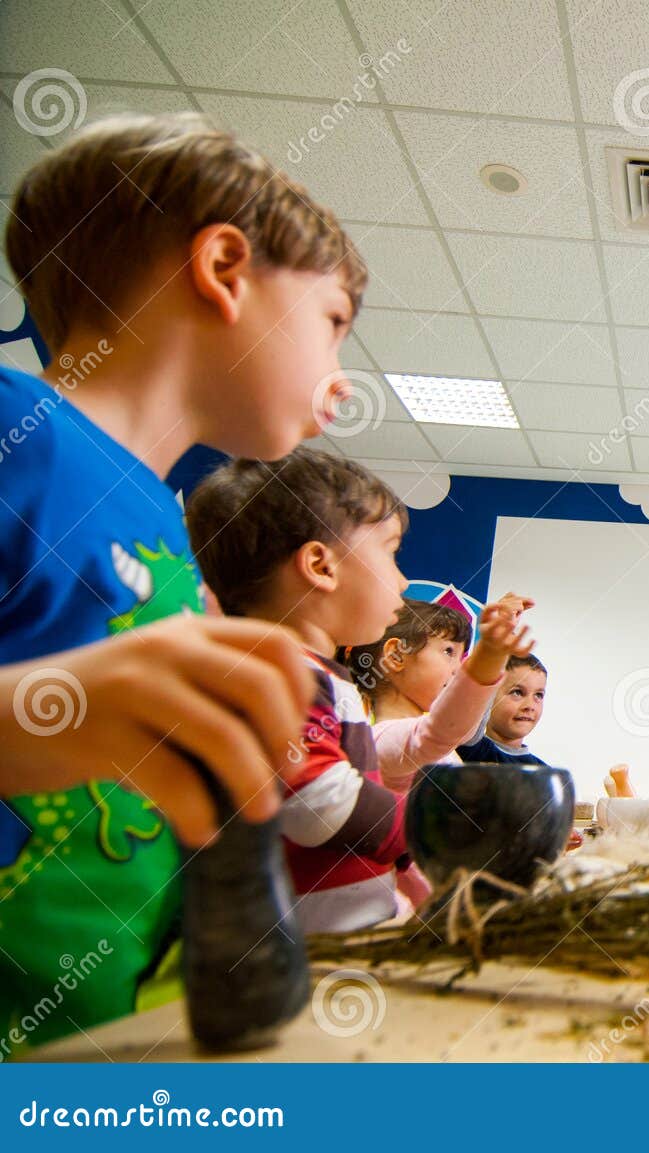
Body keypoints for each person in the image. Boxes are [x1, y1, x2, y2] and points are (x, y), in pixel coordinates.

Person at [0, 111, 363, 1045]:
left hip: (91, 1038)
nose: (340, 375)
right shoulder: (16, 432)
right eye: (332, 323)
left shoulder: (163, 519)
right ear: (224, 268)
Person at [186, 448, 415, 933]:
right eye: (391, 553)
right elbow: (316, 799)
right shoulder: (278, 670)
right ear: (321, 565)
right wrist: (429, 825)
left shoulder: (312, 671)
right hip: (295, 948)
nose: (403, 579)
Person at [345, 595, 536, 790]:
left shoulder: (440, 743)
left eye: (461, 656)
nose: (458, 668)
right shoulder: (381, 739)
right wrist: (490, 653)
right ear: (395, 655)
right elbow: (446, 729)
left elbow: (463, 729)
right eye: (448, 652)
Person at [457, 655, 552, 766]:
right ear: (489, 697)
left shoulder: (543, 771)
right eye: (517, 692)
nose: (530, 706)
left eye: (538, 695)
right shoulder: (470, 747)